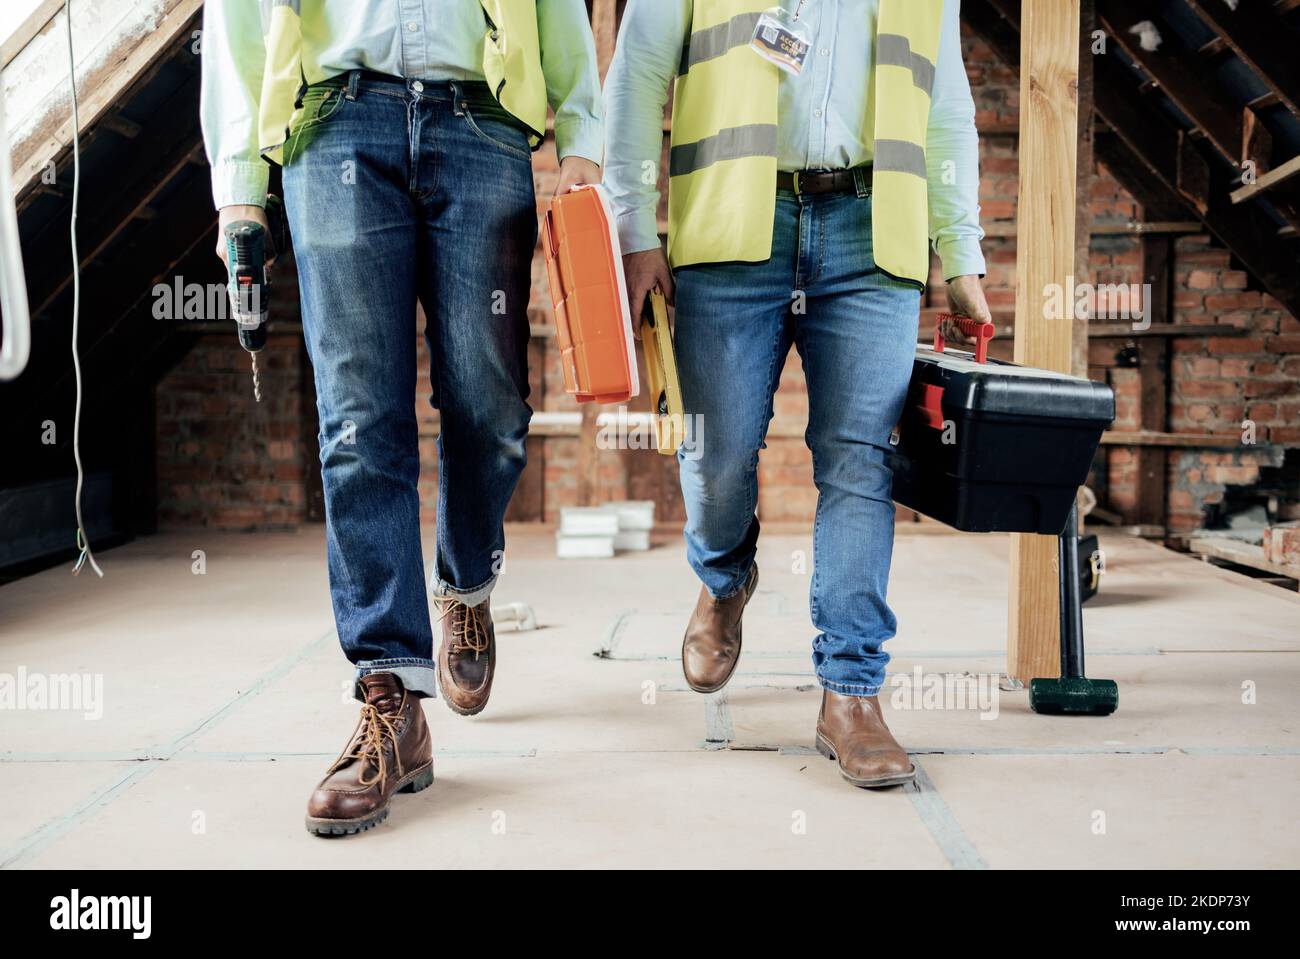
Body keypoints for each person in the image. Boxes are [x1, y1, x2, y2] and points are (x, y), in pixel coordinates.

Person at [200, 0, 603, 835]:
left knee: (489, 407)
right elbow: (238, 17)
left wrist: (585, 135)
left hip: (482, 124)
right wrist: (240, 184)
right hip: (337, 121)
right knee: (356, 424)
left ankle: (465, 585)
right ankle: (392, 697)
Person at [603, 0, 991, 788]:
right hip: (733, 223)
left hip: (871, 226)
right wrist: (635, 229)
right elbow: (638, 74)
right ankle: (723, 577)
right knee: (716, 451)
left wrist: (962, 251)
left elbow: (945, 103)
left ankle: (851, 693)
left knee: (860, 462)